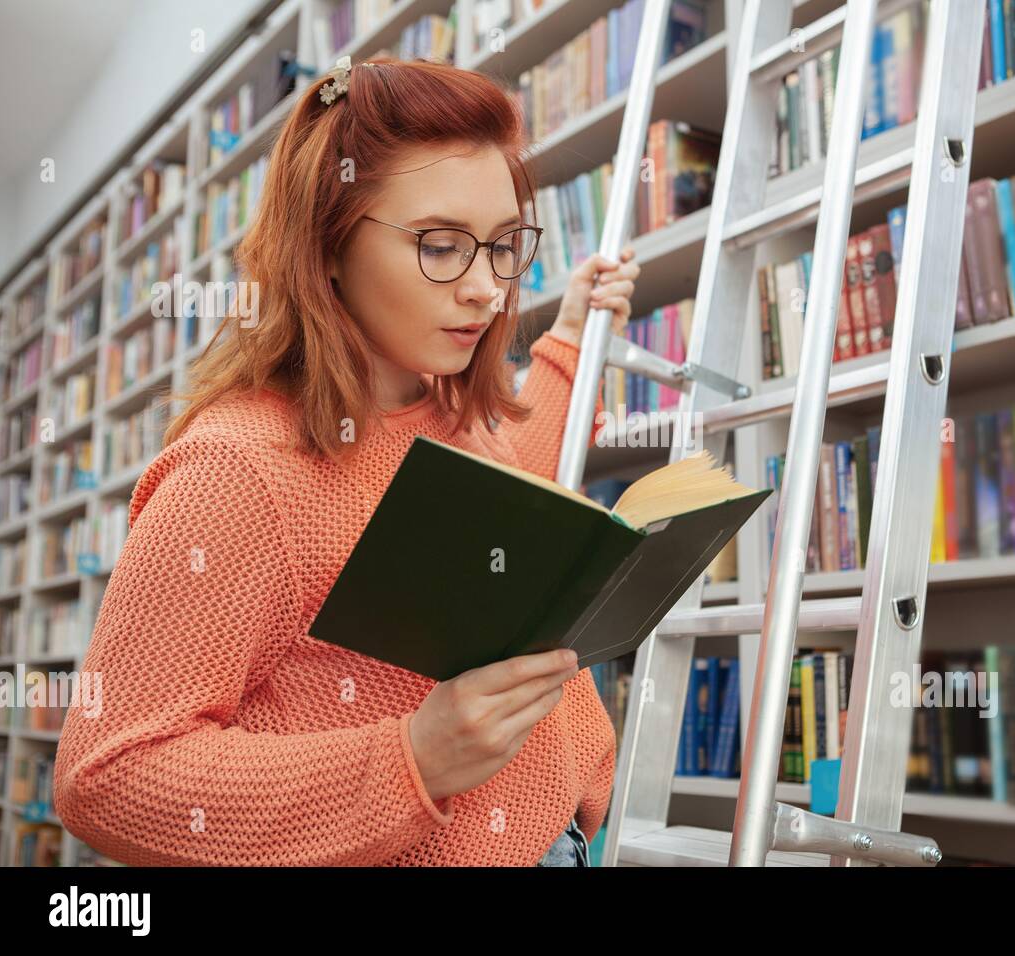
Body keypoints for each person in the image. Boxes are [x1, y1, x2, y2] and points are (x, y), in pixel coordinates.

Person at [52, 55, 640, 867]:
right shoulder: (238, 472)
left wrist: (573, 335)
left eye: (506, 246)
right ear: (326, 244)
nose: (487, 290)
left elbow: (524, 474)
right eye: (440, 246)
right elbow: (108, 776)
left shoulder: (444, 406)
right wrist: (414, 758)